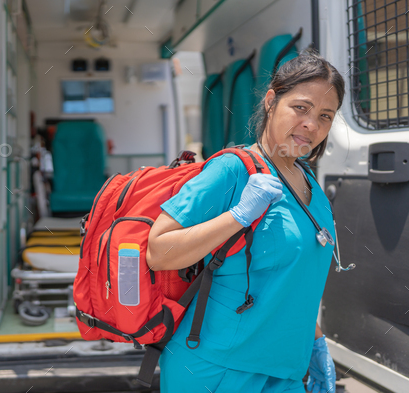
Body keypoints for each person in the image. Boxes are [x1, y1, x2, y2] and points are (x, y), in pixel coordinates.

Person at [146, 50, 344, 393]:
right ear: (271, 101)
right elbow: (159, 252)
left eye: (326, 116)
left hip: (285, 369)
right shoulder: (232, 170)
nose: (312, 125)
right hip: (216, 370)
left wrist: (315, 341)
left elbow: (291, 278)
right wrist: (236, 217)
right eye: (301, 108)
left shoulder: (311, 185)